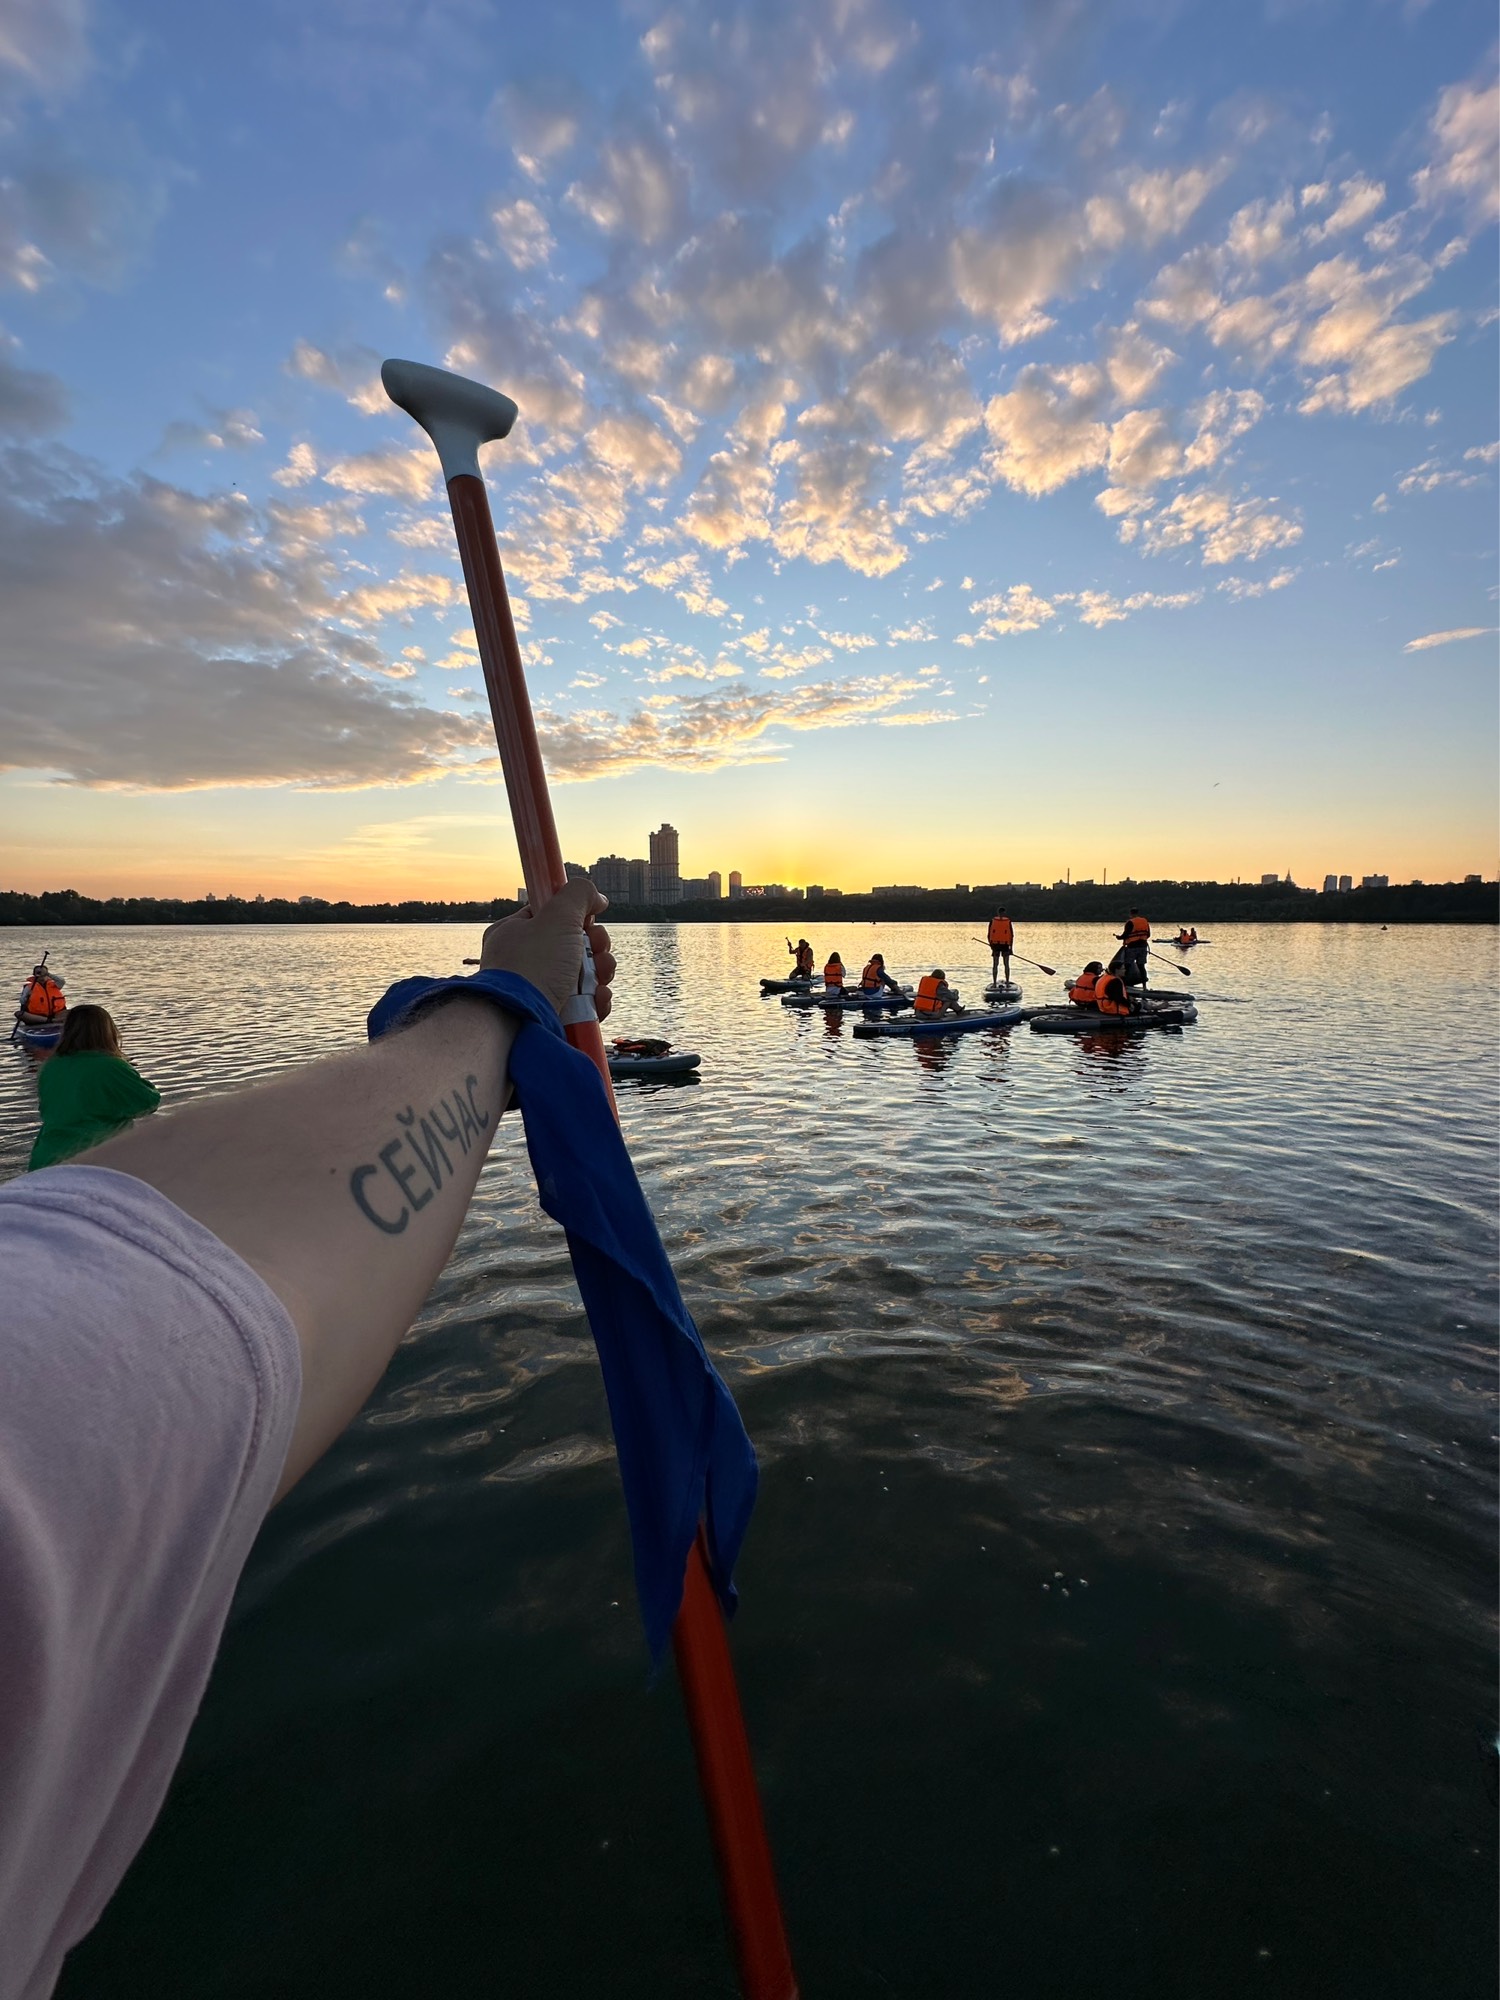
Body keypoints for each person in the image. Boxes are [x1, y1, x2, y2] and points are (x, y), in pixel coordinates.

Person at [0, 879, 617, 1997]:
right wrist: (503, 1005)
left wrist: (494, 1007)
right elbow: (150, 1302)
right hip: (111, 1211)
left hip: (74, 1196)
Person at [28, 1005, 162, 1171]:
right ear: (107, 1031)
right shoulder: (110, 1066)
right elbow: (148, 1102)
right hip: (93, 1159)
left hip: (45, 1159)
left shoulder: (51, 1066)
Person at [17, 960, 66, 1026]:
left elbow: (62, 981)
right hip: (37, 1017)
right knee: (19, 1014)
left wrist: (47, 974)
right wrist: (27, 997)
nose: (41, 977)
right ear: (34, 975)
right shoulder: (29, 987)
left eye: (44, 975)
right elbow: (22, 1002)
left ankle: (55, 1020)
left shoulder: (55, 985)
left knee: (74, 1012)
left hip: (56, 1015)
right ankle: (51, 1021)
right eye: (39, 974)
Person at [1115, 908, 1151, 989]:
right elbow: (1148, 934)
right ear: (1138, 913)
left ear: (1131, 914)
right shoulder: (1144, 921)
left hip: (1132, 947)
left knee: (1127, 965)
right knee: (1141, 966)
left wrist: (1119, 937)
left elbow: (1125, 935)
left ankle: (1125, 985)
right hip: (1143, 946)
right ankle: (1144, 986)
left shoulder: (1130, 922)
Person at [986, 911, 1014, 984]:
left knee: (995, 964)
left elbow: (989, 935)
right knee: (1006, 964)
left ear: (998, 913)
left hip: (995, 945)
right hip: (1005, 945)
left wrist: (991, 945)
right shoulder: (1008, 921)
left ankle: (994, 982)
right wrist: (1011, 948)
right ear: (1004, 913)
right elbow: (1011, 935)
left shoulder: (992, 921)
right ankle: (1007, 981)